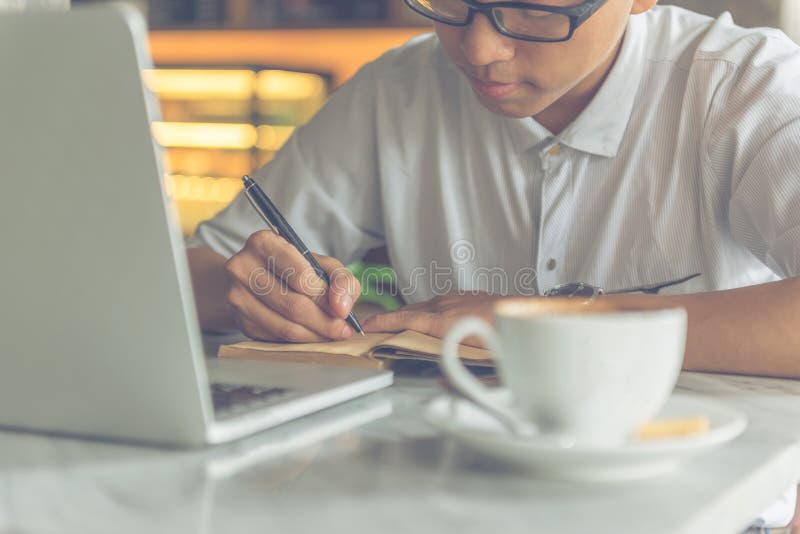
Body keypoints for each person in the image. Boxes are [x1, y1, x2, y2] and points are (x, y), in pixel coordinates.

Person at [186, 1, 800, 528]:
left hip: (697, 508)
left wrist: (552, 322)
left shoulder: (745, 87)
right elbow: (196, 271)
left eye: (532, 8)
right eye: (453, 1)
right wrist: (255, 289)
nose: (479, 49)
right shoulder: (397, 90)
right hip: (443, 502)